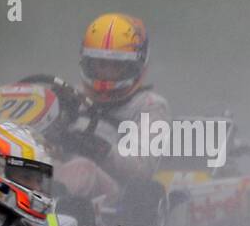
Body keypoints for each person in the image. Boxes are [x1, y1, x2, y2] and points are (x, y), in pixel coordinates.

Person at [57, 12, 171, 204]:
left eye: (115, 65)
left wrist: (100, 149)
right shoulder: (71, 96)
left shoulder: (150, 106)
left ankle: (47, 209)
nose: (106, 73)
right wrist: (57, 117)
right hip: (59, 173)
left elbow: (142, 168)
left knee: (82, 168)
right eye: (100, 64)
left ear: (136, 64)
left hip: (115, 195)